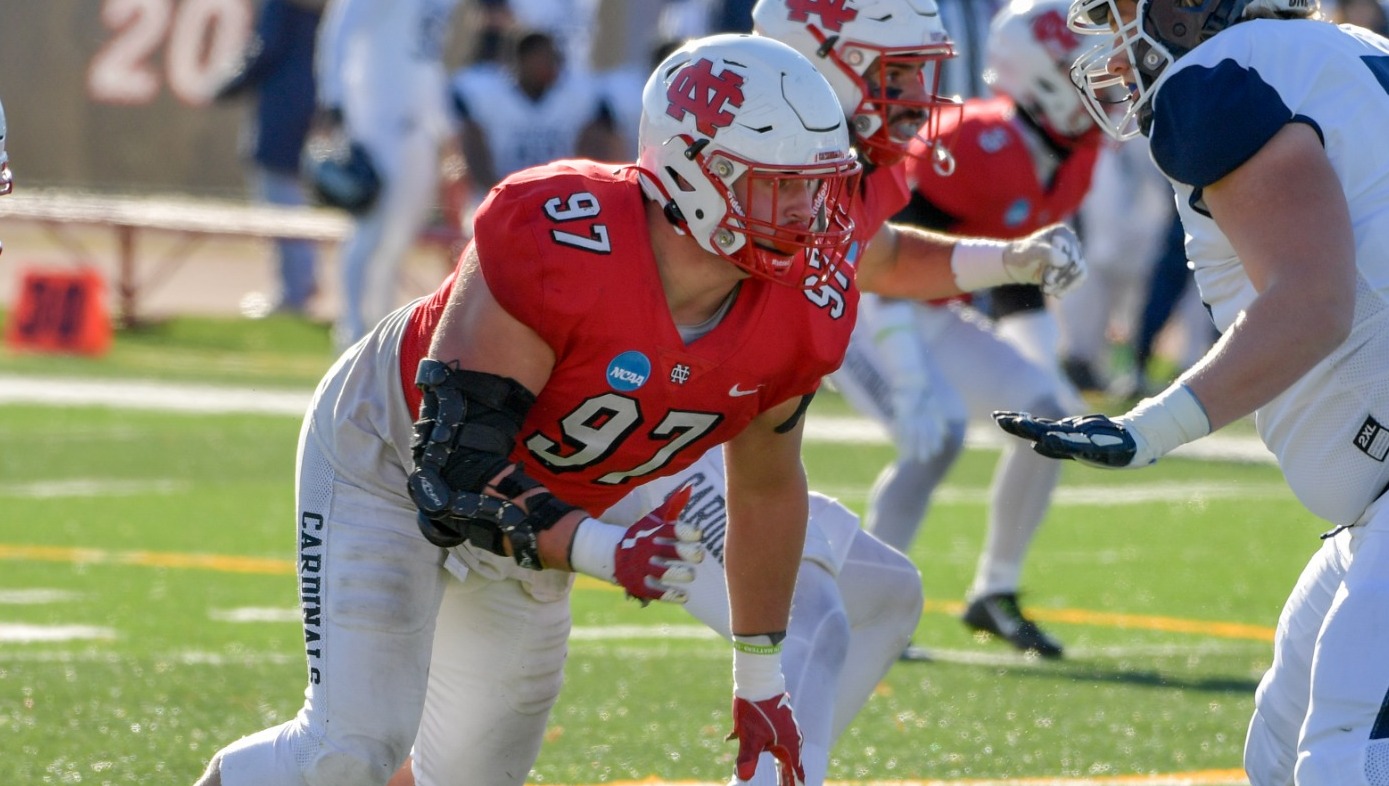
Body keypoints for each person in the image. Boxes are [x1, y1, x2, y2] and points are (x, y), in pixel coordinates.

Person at [193, 34, 872, 786]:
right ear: (690, 172)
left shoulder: (803, 305)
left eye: (813, 183)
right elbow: (453, 470)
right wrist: (609, 552)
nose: (806, 211)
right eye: (774, 183)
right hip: (386, 454)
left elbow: (768, 485)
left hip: (537, 521)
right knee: (350, 749)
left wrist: (759, 678)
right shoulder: (559, 235)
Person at [995, 2, 1389, 784]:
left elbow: (1312, 302)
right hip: (1371, 503)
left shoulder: (1219, 78)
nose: (1112, 40)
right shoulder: (1348, 48)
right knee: (1278, 749)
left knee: (1343, 752)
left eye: (1121, 13)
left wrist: (1151, 427)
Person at [828, 0, 1103, 660]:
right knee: (937, 434)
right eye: (1075, 72)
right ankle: (859, 613)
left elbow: (1008, 275)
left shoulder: (1074, 152)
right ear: (1034, 74)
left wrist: (1047, 370)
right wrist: (909, 375)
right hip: (861, 308)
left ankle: (994, 591)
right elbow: (882, 257)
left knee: (1047, 420)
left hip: (931, 308)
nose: (1092, 88)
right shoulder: (974, 138)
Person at [311, 0, 462, 352]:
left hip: (419, 127)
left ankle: (377, 333)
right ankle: (351, 330)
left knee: (398, 237)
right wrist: (334, 99)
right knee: (370, 228)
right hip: (375, 121)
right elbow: (339, 30)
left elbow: (427, 60)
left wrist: (443, 125)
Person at [213, 0, 324, 318]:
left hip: (283, 106)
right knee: (290, 198)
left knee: (280, 198)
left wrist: (226, 86)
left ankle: (294, 293)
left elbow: (266, 48)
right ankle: (302, 283)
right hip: (311, 101)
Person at [451, 29, 618, 226]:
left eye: (552, 57)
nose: (550, 65)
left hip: (561, 203)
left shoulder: (575, 98)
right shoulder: (489, 97)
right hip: (498, 200)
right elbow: (472, 149)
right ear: (522, 59)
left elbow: (599, 143)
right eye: (542, 57)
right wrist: (500, 193)